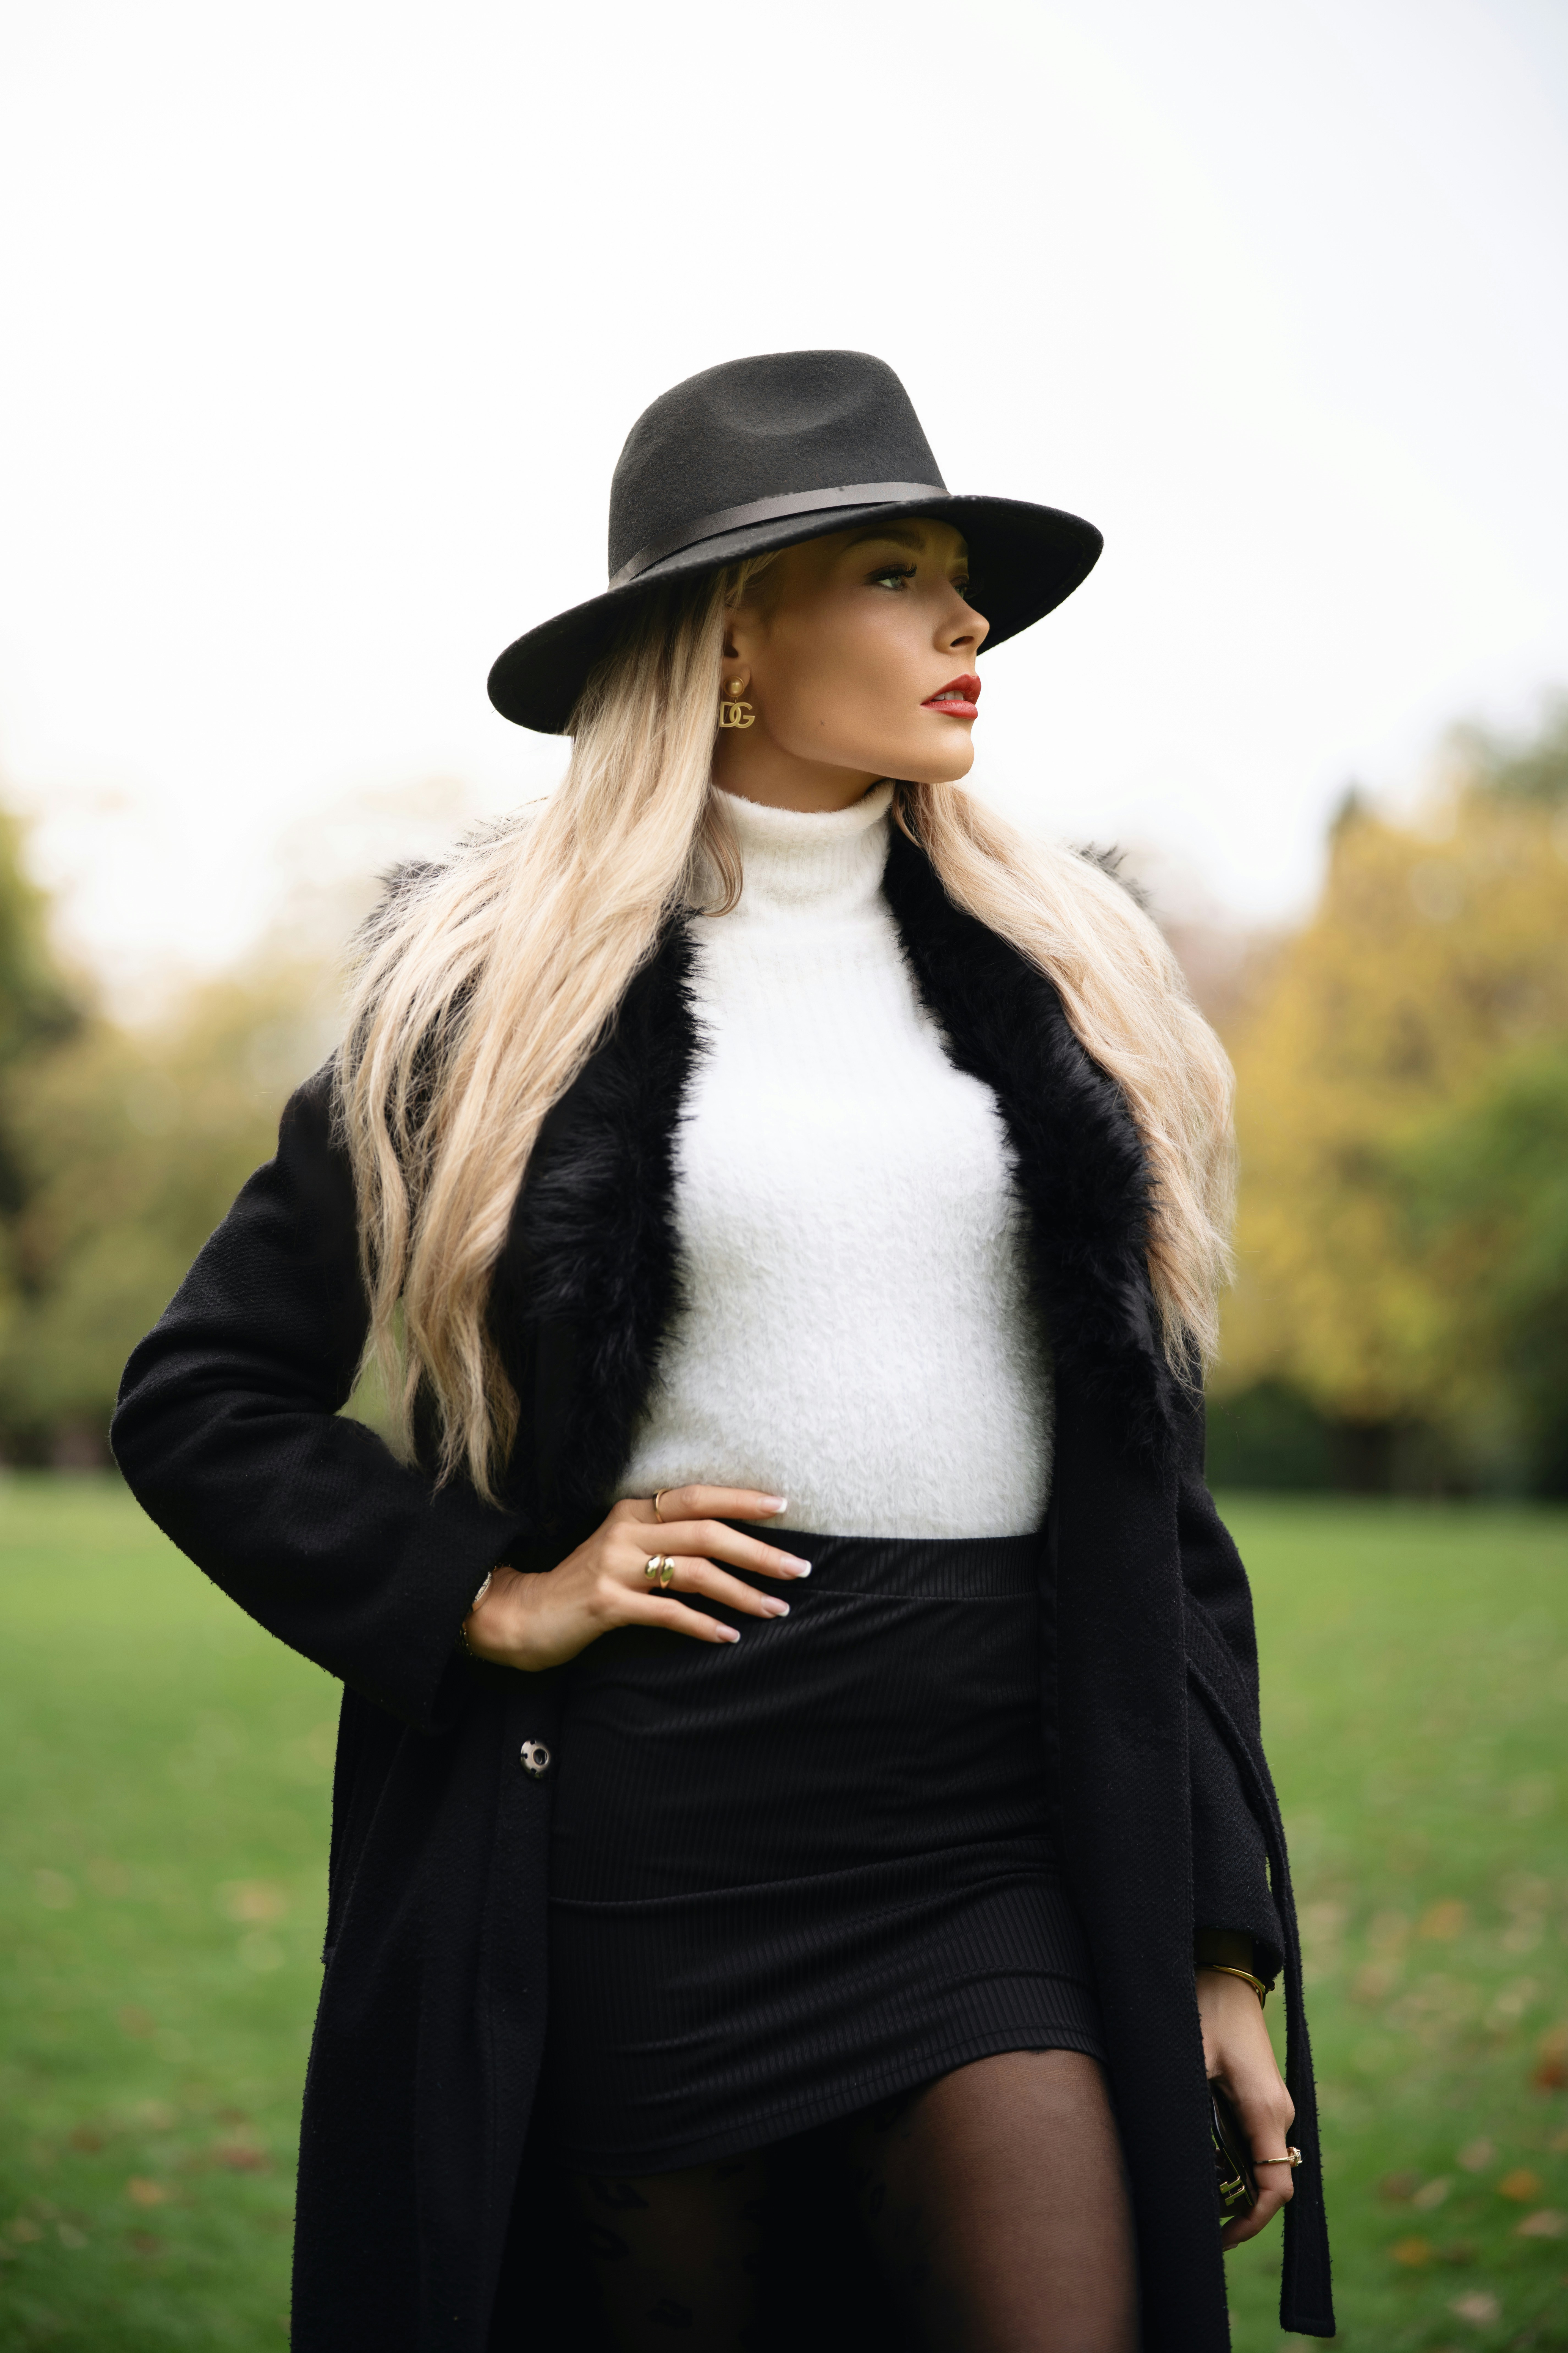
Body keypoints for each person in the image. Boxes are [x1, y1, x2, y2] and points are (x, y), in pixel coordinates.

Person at [112, 350, 1333, 2353]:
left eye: (965, 581)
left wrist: (1215, 1945)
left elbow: (1155, 1500)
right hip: (644, 1854)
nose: (966, 624)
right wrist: (485, 1602)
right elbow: (204, 1398)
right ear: (734, 639)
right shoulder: (481, 998)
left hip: (997, 1841)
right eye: (894, 573)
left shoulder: (1073, 983)